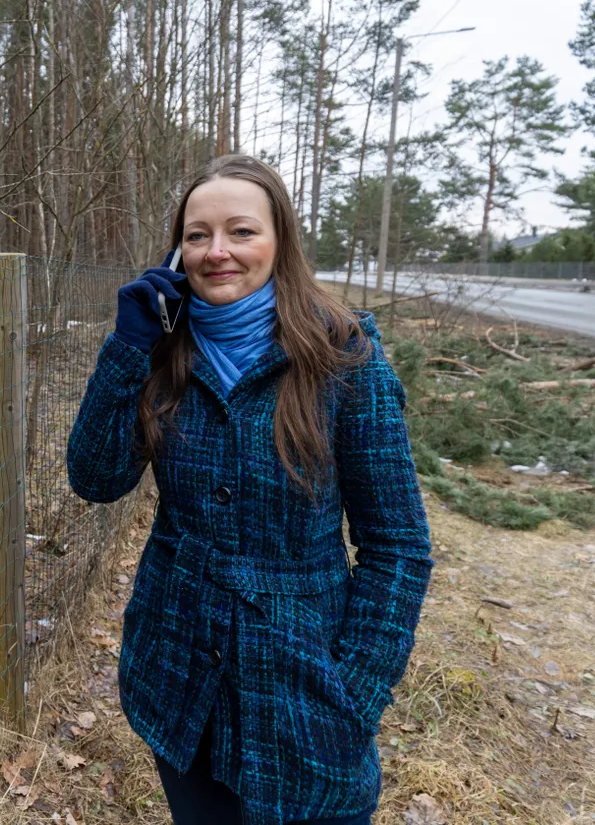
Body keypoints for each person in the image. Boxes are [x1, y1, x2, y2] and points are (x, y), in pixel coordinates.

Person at [66, 154, 432, 825]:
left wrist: (356, 691)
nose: (217, 251)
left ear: (279, 241)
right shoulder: (164, 353)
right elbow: (95, 478)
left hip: (305, 691)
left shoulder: (346, 360)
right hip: (178, 684)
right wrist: (126, 346)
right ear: (177, 252)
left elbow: (398, 546)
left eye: (241, 231)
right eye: (197, 235)